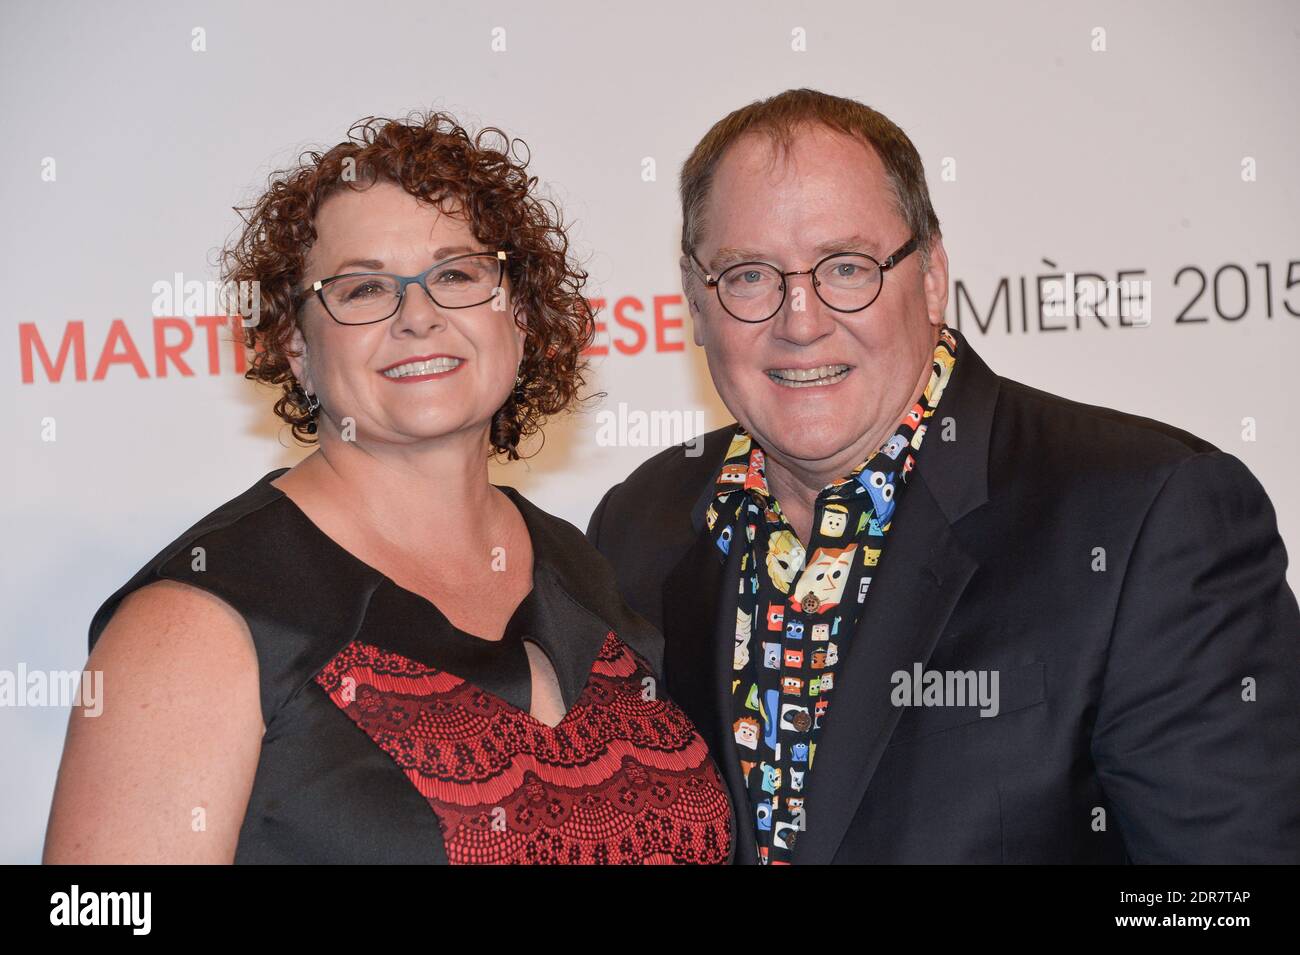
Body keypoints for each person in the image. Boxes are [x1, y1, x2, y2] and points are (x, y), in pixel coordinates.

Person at [586, 88, 1300, 864]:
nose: (800, 319)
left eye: (847, 266)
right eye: (750, 276)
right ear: (696, 300)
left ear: (931, 273)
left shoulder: (1146, 514)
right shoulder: (638, 529)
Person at [44, 111, 733, 865]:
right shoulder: (195, 625)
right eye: (365, 288)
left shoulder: (587, 565)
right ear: (298, 349)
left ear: (522, 318)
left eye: (457, 274)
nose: (419, 317)